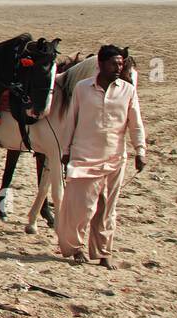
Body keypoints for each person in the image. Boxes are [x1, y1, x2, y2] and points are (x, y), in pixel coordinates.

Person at [57, 45, 147, 269]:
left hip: (115, 158)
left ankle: (103, 252)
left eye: (120, 64)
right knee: (79, 207)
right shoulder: (82, 88)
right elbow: (71, 120)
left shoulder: (128, 90)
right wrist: (65, 151)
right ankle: (75, 248)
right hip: (83, 156)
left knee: (107, 208)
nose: (118, 67)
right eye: (114, 63)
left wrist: (140, 150)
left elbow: (135, 123)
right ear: (100, 64)